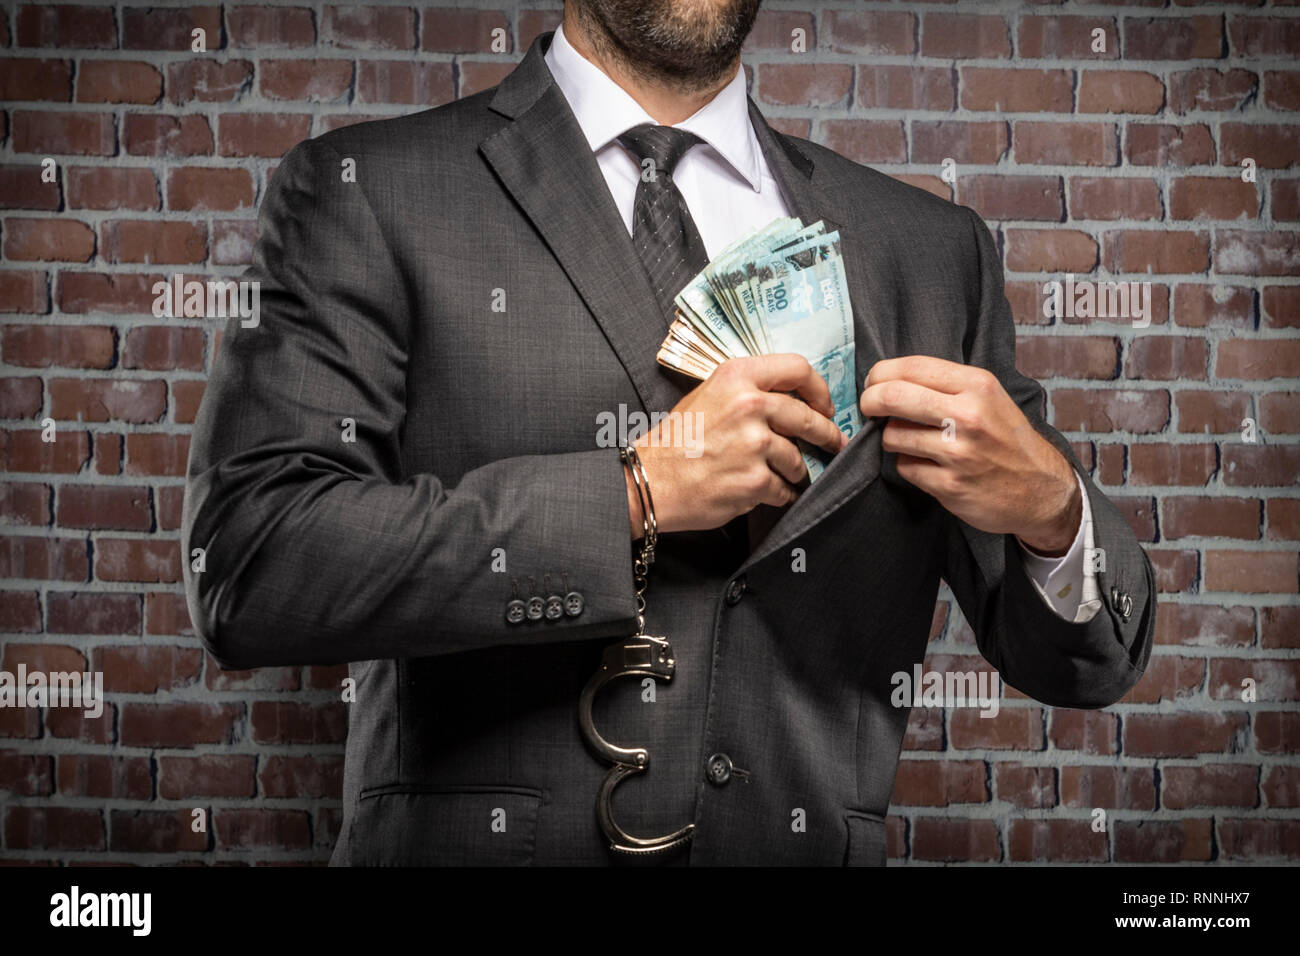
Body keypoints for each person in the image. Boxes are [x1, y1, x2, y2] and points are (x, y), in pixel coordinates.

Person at [183, 0, 1155, 865]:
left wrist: (1053, 513)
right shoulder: (370, 189)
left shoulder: (930, 253)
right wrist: (636, 494)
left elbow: (1084, 659)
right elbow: (254, 561)